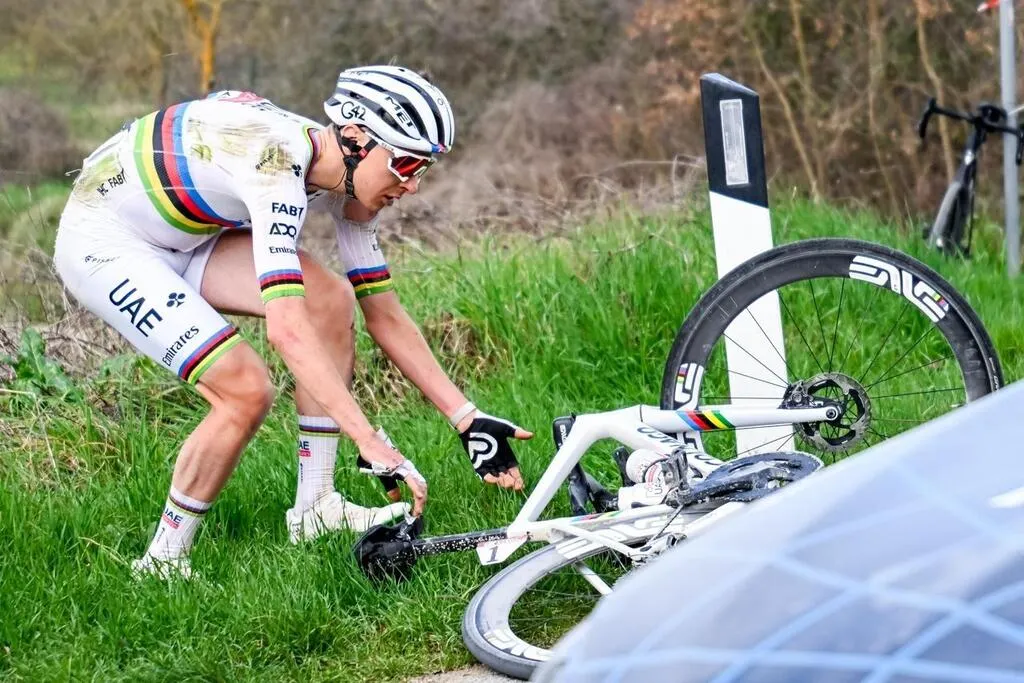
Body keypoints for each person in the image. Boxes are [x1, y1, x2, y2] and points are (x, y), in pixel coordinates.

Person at [53, 65, 533, 580]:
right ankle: (162, 561)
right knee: (245, 387)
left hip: (186, 233)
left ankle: (315, 506)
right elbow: (287, 330)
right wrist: (368, 440)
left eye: (425, 168)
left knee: (331, 301)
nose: (413, 186)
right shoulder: (277, 168)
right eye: (407, 164)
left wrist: (467, 419)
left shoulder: (346, 182)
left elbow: (384, 313)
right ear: (355, 139)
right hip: (107, 243)